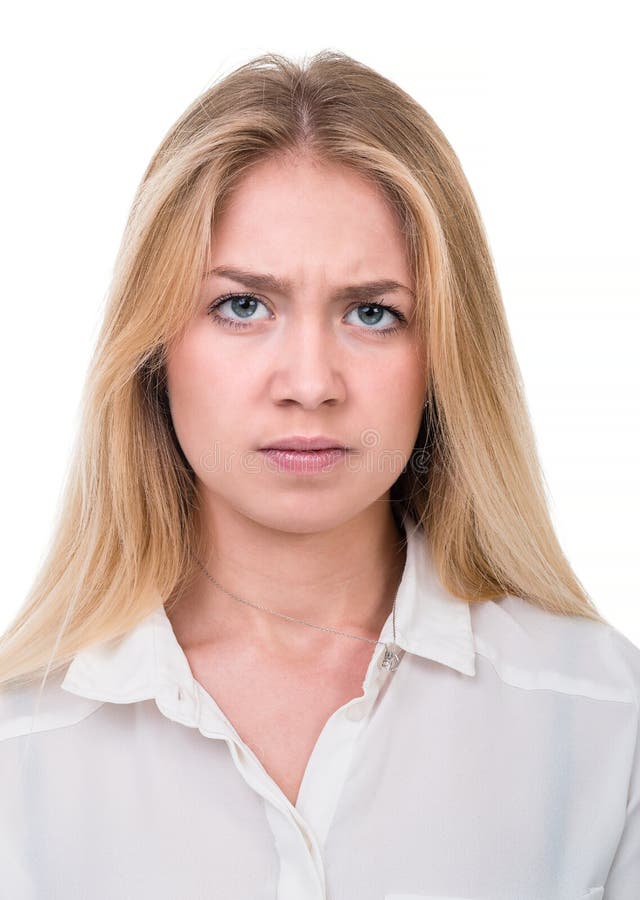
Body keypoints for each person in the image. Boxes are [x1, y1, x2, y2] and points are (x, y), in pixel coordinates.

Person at [0, 49, 638, 899]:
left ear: (444, 352)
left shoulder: (600, 717)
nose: (309, 384)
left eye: (372, 313)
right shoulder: (23, 747)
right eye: (242, 306)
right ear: (154, 348)